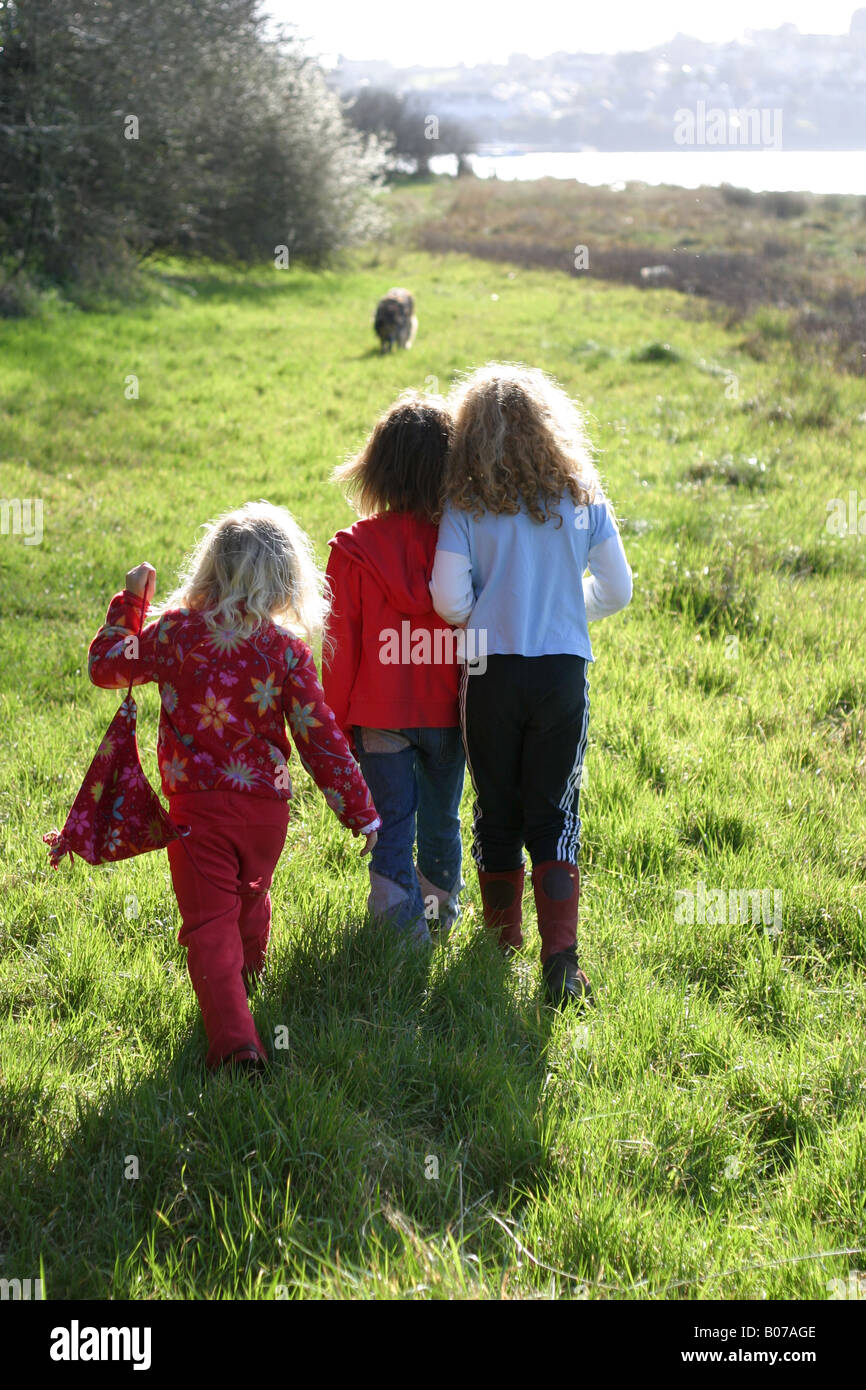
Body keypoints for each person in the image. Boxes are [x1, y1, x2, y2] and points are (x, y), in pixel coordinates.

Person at [88, 502, 379, 1073]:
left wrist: (130, 604)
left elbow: (106, 665)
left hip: (197, 810)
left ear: (209, 570)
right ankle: (249, 980)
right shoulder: (285, 651)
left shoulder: (174, 633)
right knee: (250, 894)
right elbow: (322, 739)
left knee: (206, 924)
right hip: (266, 813)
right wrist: (361, 813)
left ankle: (235, 1043)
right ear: (284, 581)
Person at [430, 364, 632, 1006]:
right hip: (561, 670)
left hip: (490, 670)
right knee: (555, 808)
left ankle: (500, 948)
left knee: (495, 805)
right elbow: (619, 590)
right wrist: (568, 606)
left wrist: (491, 610)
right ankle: (562, 965)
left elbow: (447, 599)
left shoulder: (465, 502)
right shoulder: (581, 494)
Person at [324, 392, 465, 944]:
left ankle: (394, 937)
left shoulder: (353, 551)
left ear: (378, 469)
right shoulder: (462, 546)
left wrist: (333, 731)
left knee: (391, 827)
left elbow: (339, 652)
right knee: (441, 822)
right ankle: (437, 921)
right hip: (449, 715)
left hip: (380, 720)